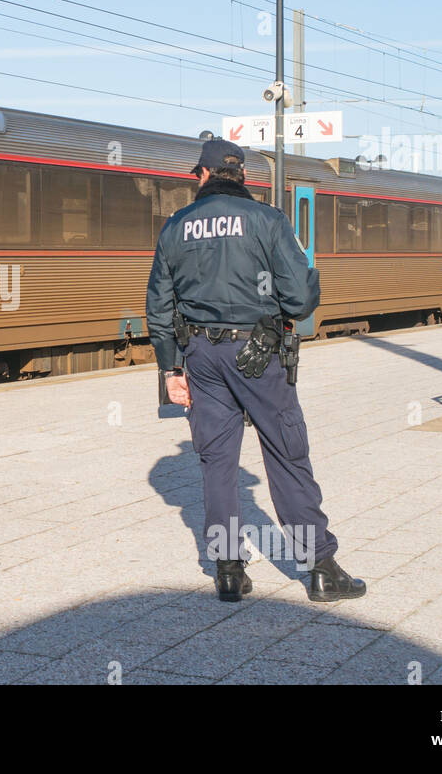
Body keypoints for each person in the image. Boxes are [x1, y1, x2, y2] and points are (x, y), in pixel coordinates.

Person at [145, 137, 365, 603]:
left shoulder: (175, 226)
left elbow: (158, 308)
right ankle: (320, 568)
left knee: (217, 462)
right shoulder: (268, 220)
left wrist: (170, 370)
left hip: (200, 357)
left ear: (201, 176)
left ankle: (228, 570)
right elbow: (302, 300)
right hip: (259, 354)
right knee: (286, 453)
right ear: (241, 176)